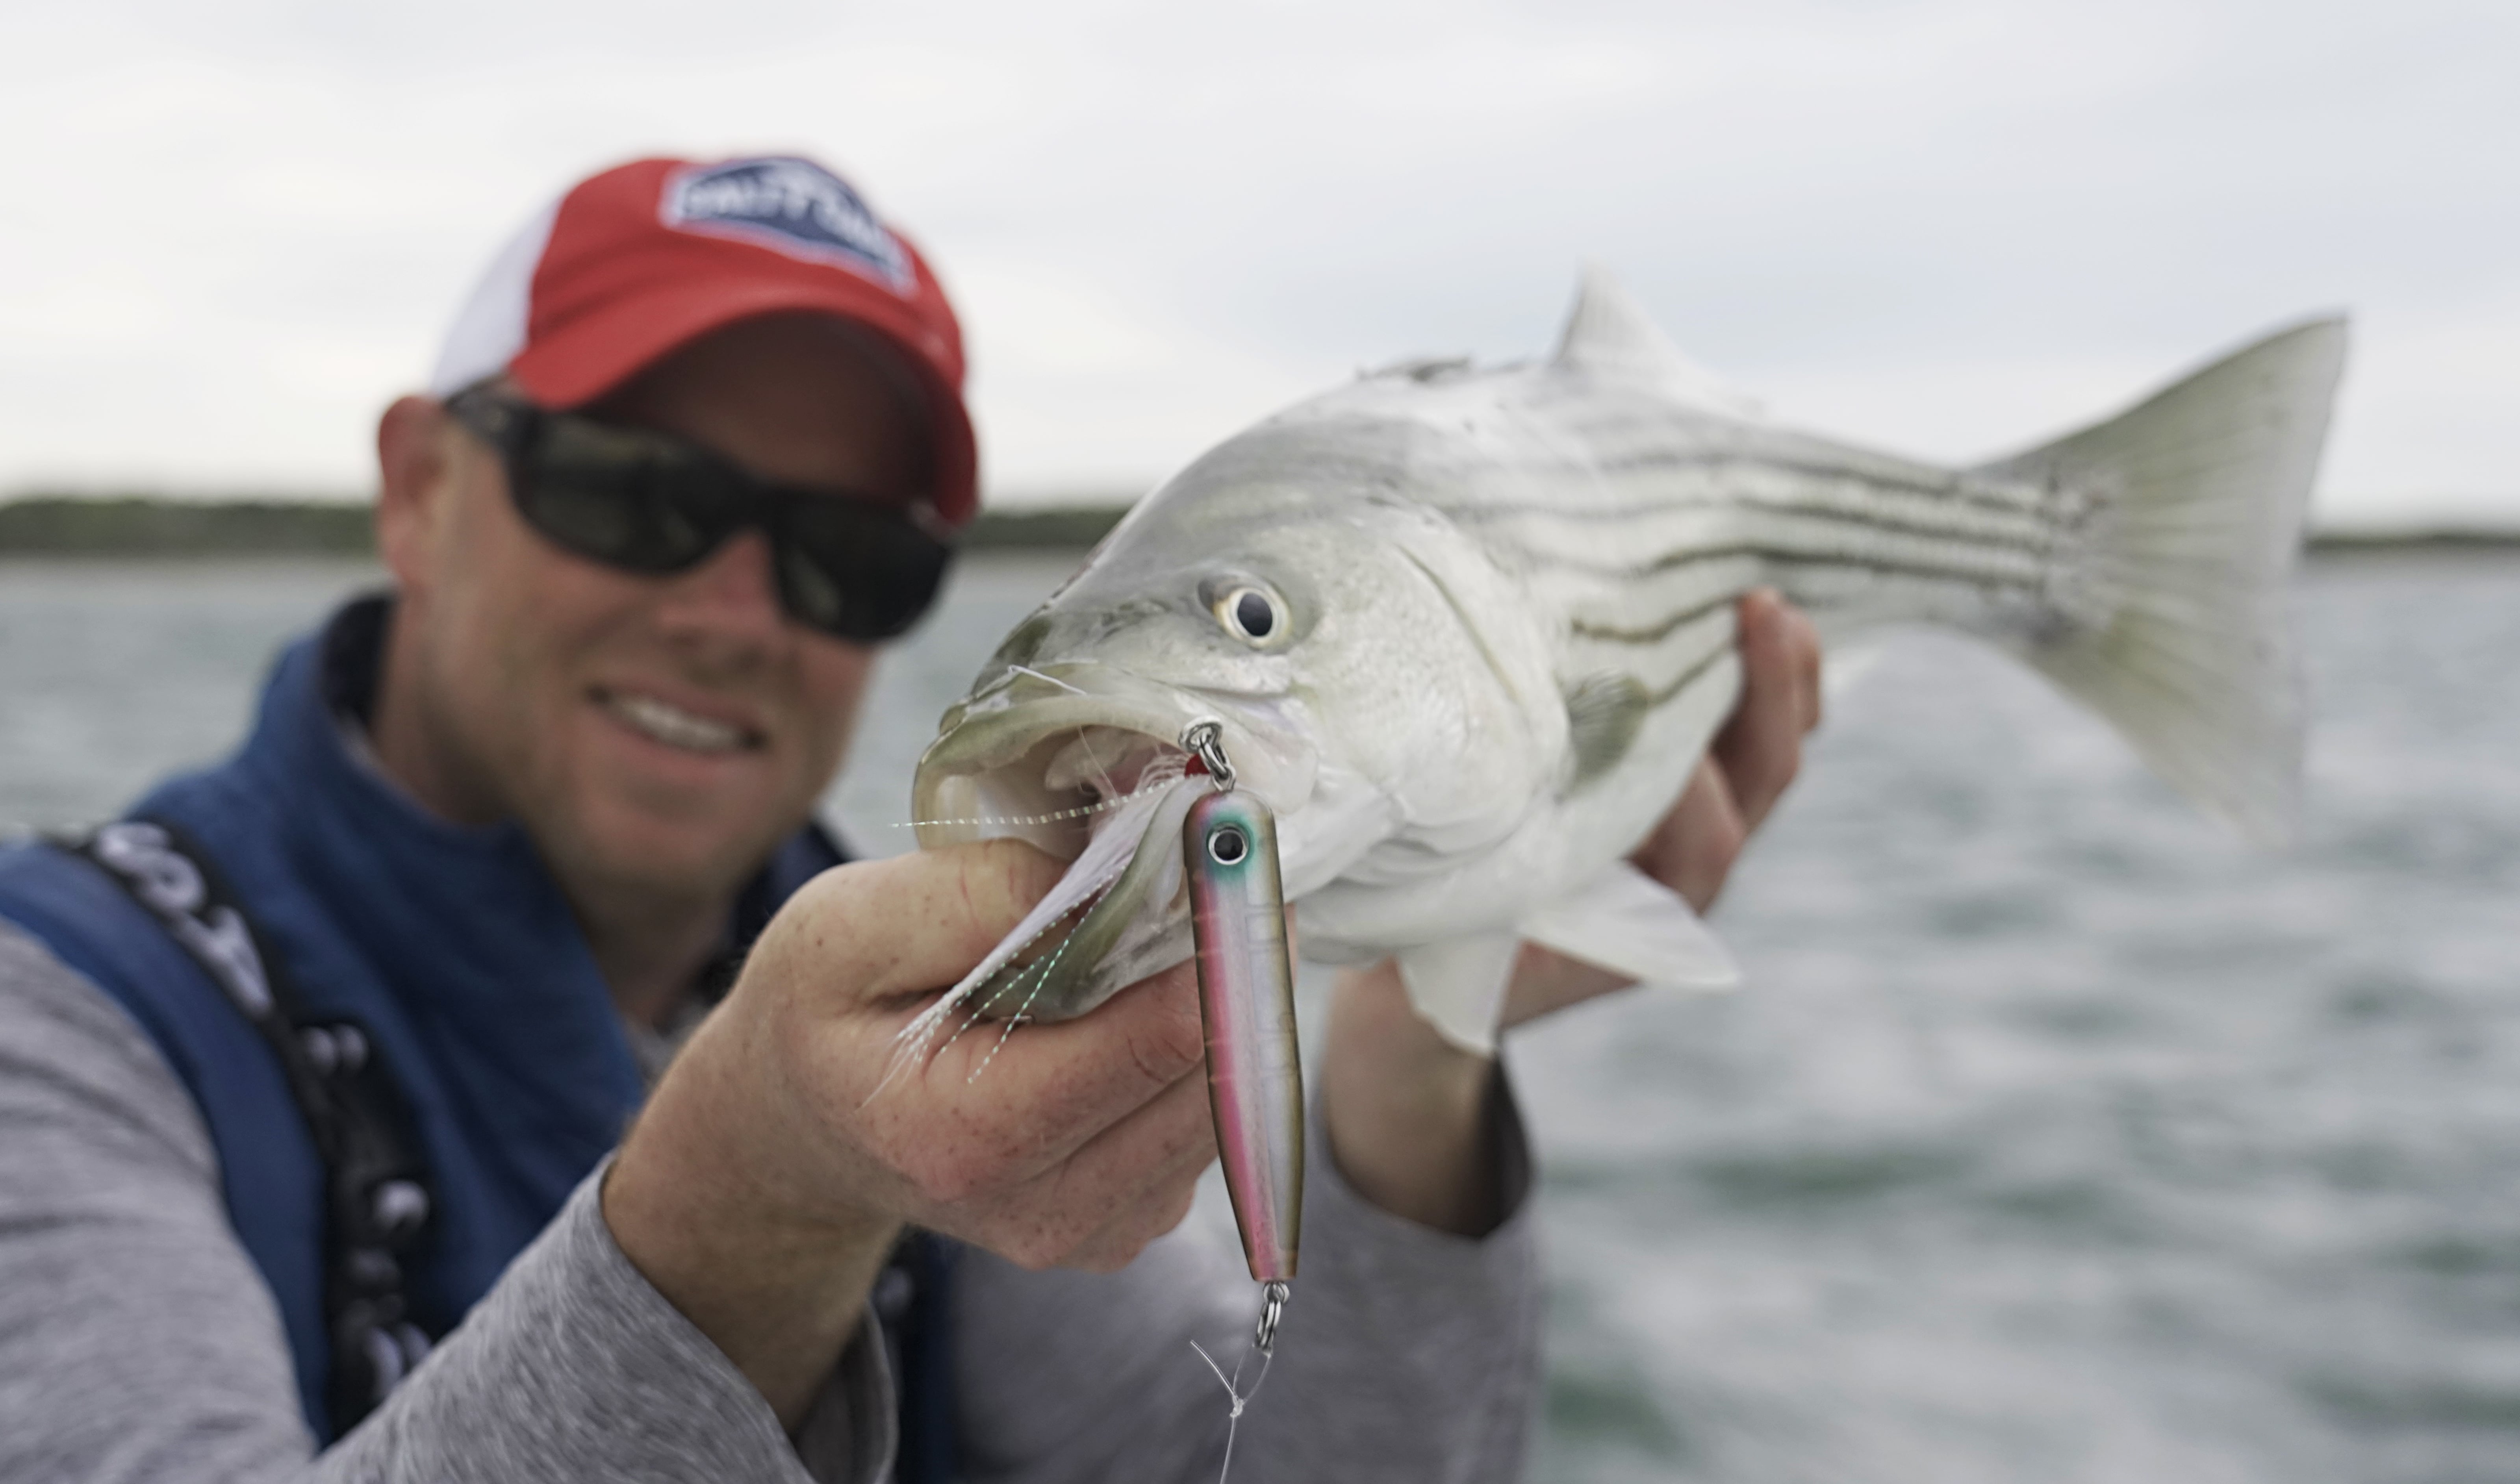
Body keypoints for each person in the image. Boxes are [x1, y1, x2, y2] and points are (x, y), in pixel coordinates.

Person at [0, 153, 1823, 1482]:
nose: (732, 609)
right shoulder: (60, 1014)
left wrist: (1413, 1062)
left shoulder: (921, 1028)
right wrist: (756, 1207)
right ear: (416, 489)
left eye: (847, 554)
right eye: (636, 493)